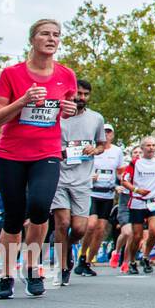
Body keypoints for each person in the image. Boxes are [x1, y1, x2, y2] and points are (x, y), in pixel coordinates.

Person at [0, 19, 78, 300]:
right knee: (13, 218)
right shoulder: (11, 74)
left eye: (56, 35)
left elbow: (64, 111)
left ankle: (32, 266)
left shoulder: (66, 75)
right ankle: (5, 274)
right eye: (45, 34)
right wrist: (23, 100)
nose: (52, 39)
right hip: (11, 155)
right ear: (33, 39)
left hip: (47, 153)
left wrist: (68, 110)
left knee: (40, 207)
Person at [49, 78, 107, 286]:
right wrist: (59, 152)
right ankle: (62, 266)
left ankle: (67, 249)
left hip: (82, 181)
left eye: (85, 95)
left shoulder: (96, 119)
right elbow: (43, 143)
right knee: (62, 223)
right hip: (58, 177)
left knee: (80, 229)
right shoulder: (57, 117)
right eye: (78, 94)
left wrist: (95, 149)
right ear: (69, 94)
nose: (81, 98)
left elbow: (102, 144)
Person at [80, 124, 123, 275]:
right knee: (90, 225)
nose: (106, 135)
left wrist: (120, 184)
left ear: (113, 135)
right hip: (91, 192)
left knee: (100, 230)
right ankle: (82, 254)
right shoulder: (92, 149)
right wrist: (89, 176)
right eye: (103, 132)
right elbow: (81, 167)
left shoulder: (117, 151)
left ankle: (87, 262)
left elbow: (120, 173)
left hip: (107, 194)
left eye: (109, 132)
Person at [120, 136, 155, 275]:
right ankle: (132, 260)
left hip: (154, 202)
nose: (151, 148)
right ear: (142, 148)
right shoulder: (135, 163)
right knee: (137, 235)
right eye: (148, 145)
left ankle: (146, 256)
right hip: (138, 202)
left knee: (154, 231)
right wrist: (136, 190)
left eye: (153, 145)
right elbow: (124, 181)